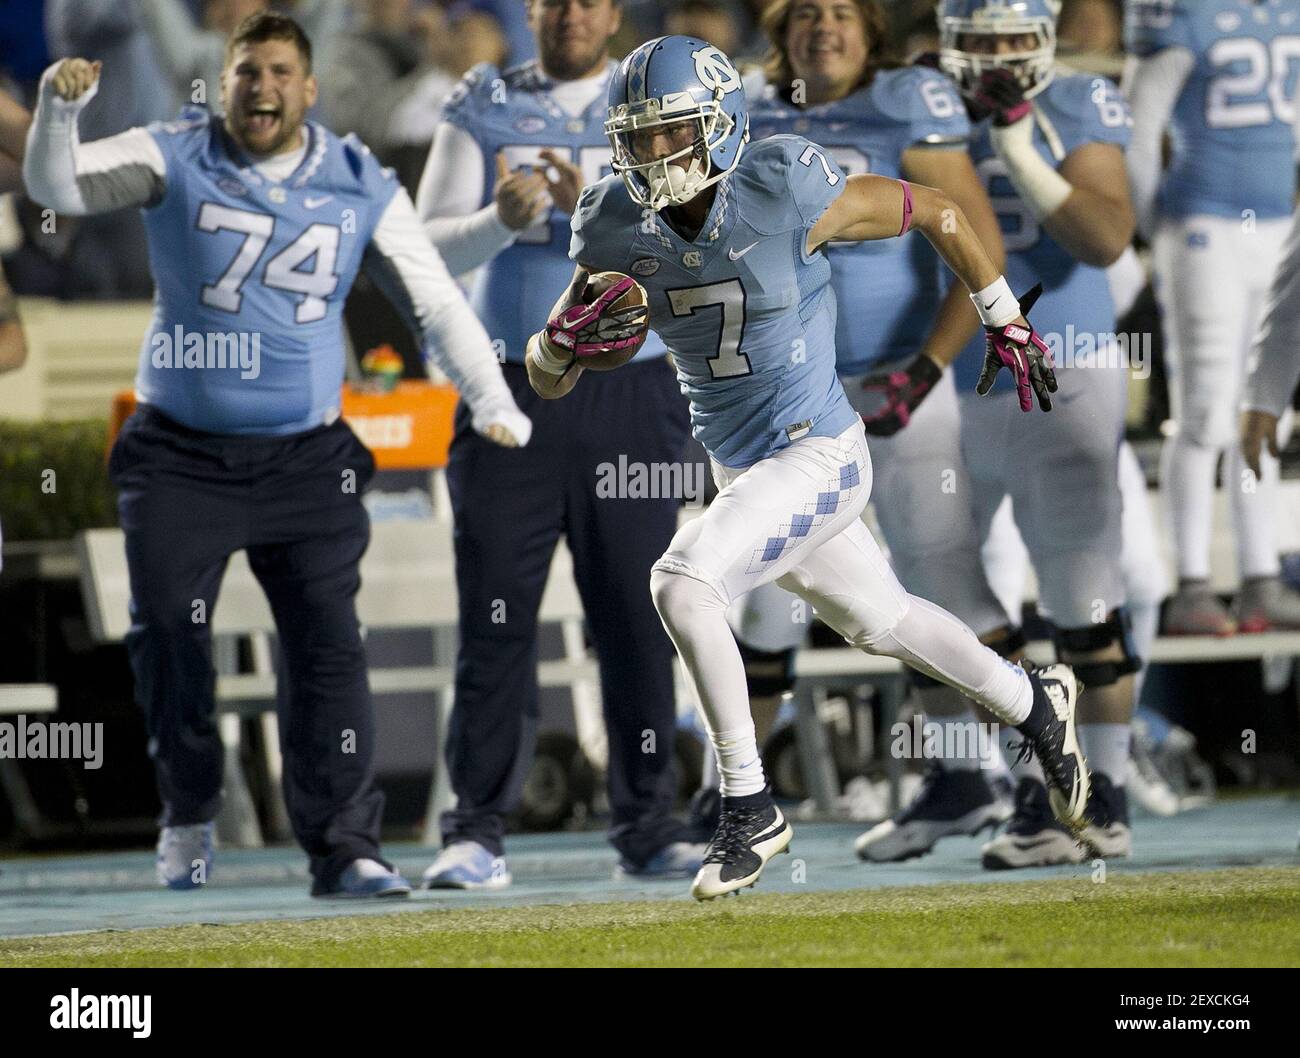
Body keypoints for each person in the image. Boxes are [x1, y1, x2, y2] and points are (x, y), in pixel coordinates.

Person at [528, 33, 1091, 899]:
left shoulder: (781, 184)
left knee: (683, 584)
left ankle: (748, 806)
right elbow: (561, 368)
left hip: (818, 449)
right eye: (636, 136)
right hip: (742, 470)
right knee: (883, 619)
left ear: (718, 124)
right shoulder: (610, 219)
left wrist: (1004, 317)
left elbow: (941, 209)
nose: (651, 153)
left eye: (669, 131)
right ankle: (1033, 701)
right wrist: (554, 347)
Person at [23, 11, 531, 897]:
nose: (261, 87)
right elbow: (57, 187)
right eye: (245, 72)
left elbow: (433, 298)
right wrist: (57, 114)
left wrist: (488, 395)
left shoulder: (354, 174)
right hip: (180, 454)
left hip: (306, 457)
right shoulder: (171, 151)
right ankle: (187, 814)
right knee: (170, 645)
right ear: (222, 85)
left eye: (278, 72)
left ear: (309, 88)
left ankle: (345, 847)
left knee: (329, 649)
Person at [712, 0, 1018, 861]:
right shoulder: (747, 105)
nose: (824, 27)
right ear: (780, 27)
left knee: (941, 581)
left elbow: (972, 236)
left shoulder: (905, 102)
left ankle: (1036, 773)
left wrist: (925, 372)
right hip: (787, 398)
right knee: (769, 596)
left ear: (870, 27)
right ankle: (743, 799)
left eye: (842, 10)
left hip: (895, 384)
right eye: (806, 12)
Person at [416, 0, 703, 889]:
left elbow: (711, 246)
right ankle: (475, 829)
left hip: (636, 388)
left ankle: (649, 822)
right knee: (495, 615)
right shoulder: (485, 105)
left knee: (638, 616)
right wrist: (498, 223)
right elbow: (419, 247)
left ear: (615, 10)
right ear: (530, 9)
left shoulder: (667, 94)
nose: (574, 12)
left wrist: (607, 222)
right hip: (510, 388)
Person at [898, 0, 1138, 869]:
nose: (998, 54)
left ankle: (1100, 794)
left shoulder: (1078, 104)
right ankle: (990, 782)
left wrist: (1019, 152)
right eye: (982, 40)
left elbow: (1107, 237)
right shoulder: (919, 103)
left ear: (1041, 40)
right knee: (929, 590)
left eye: (1012, 38)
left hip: (1059, 367)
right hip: (946, 377)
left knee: (1083, 597)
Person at [1125, 0, 1300, 635]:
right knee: (1204, 412)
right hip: (1203, 226)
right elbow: (1137, 130)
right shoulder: (1180, 14)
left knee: (1263, 406)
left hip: (1279, 226)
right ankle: (1191, 583)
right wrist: (1142, 228)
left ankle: (1260, 578)